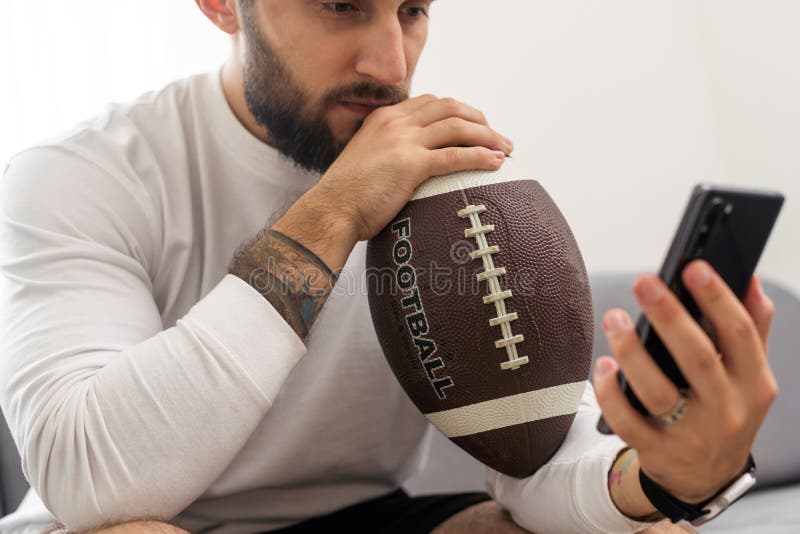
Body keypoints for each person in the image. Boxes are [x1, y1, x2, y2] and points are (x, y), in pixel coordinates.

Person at [0, 1, 777, 533]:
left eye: (412, 9)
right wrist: (335, 210)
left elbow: (533, 452)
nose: (389, 61)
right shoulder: (81, 173)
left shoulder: (451, 183)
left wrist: (658, 477)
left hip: (363, 517)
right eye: (341, 3)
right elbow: (87, 477)